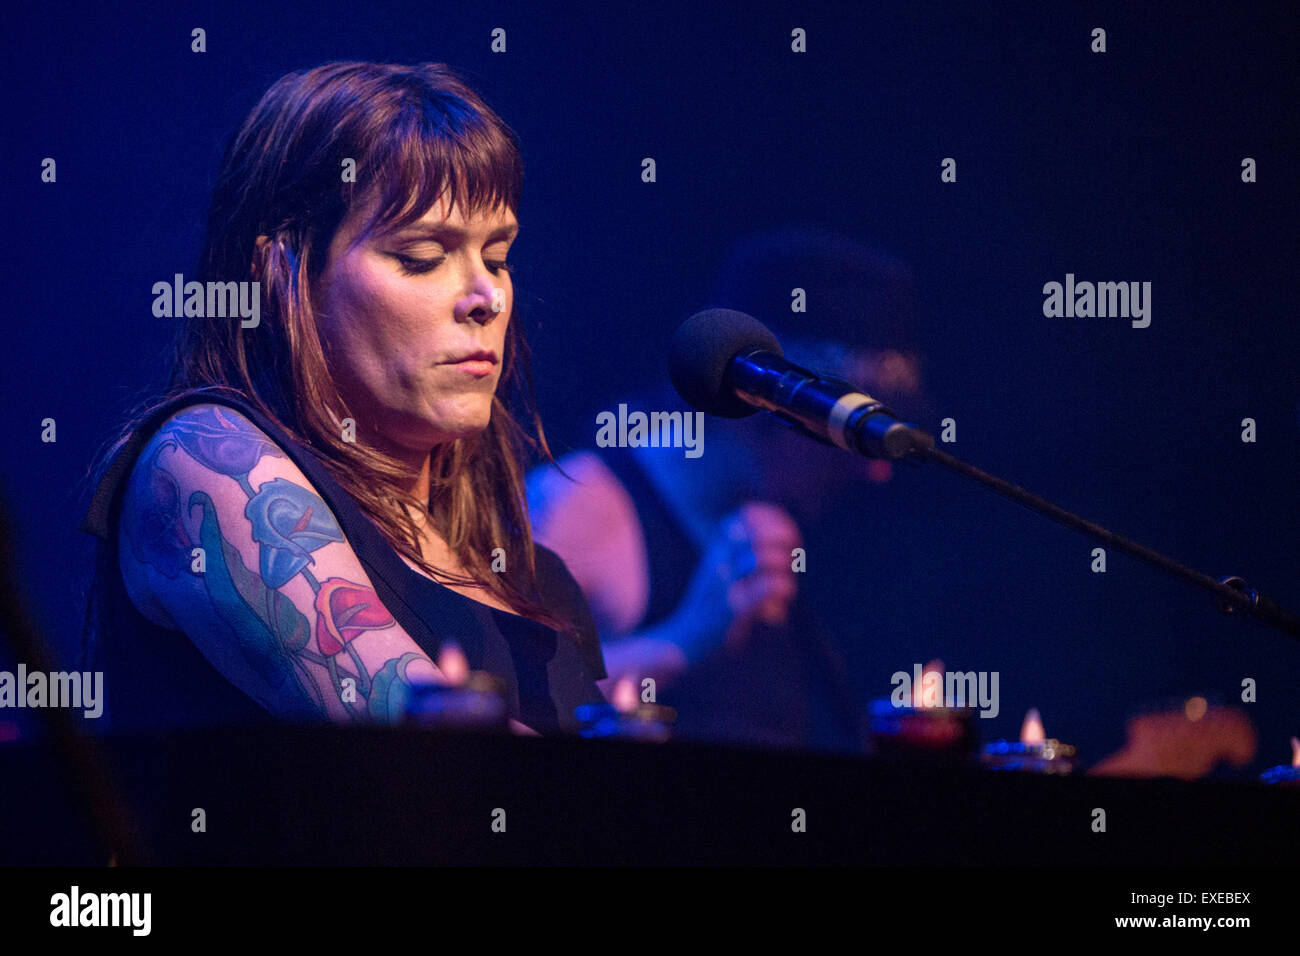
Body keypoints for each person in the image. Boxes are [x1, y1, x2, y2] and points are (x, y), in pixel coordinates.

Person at [78, 62, 607, 735]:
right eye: (421, 256)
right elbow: (440, 765)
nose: (487, 297)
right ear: (282, 272)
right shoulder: (205, 458)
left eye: (497, 256)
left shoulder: (540, 579)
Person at [528, 228, 933, 752]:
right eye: (847, 441)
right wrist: (688, 638)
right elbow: (503, 697)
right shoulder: (580, 503)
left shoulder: (791, 522)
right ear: (764, 411)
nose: (874, 473)